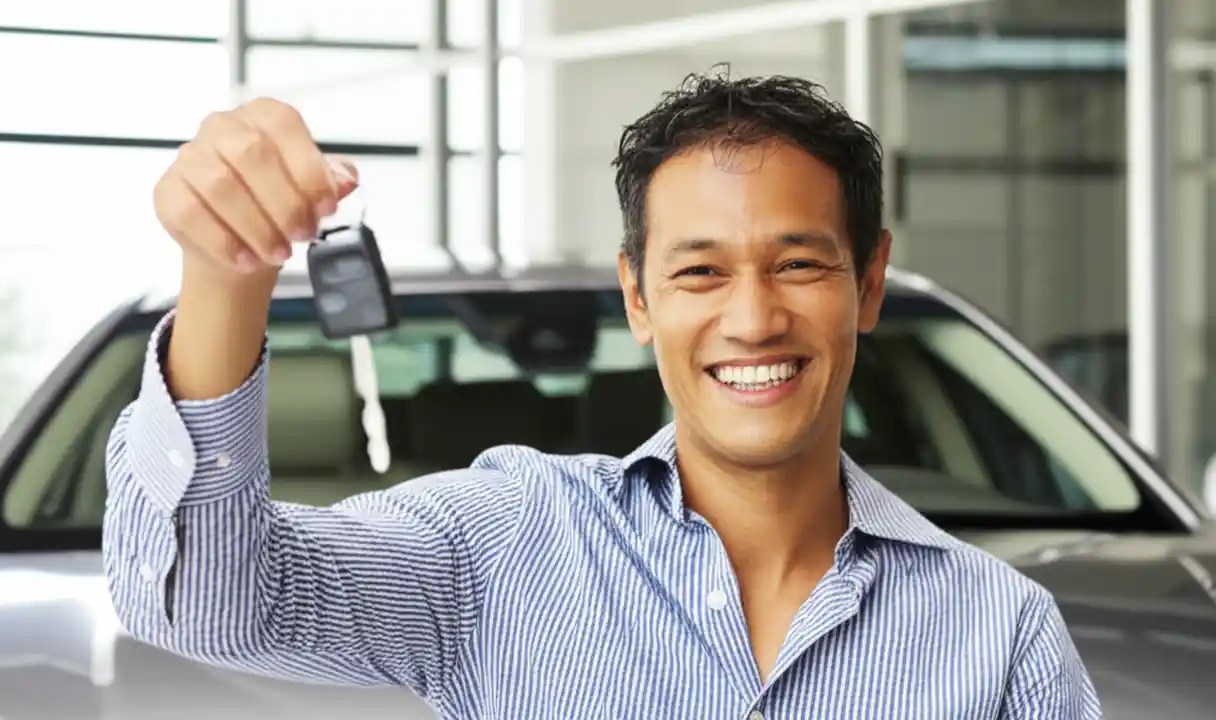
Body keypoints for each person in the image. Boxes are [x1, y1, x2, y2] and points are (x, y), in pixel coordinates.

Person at [103, 70, 1101, 719]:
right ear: (638, 297)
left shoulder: (999, 631)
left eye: (798, 264)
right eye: (699, 272)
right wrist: (225, 273)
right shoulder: (505, 543)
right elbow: (206, 603)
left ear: (867, 282)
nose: (753, 319)